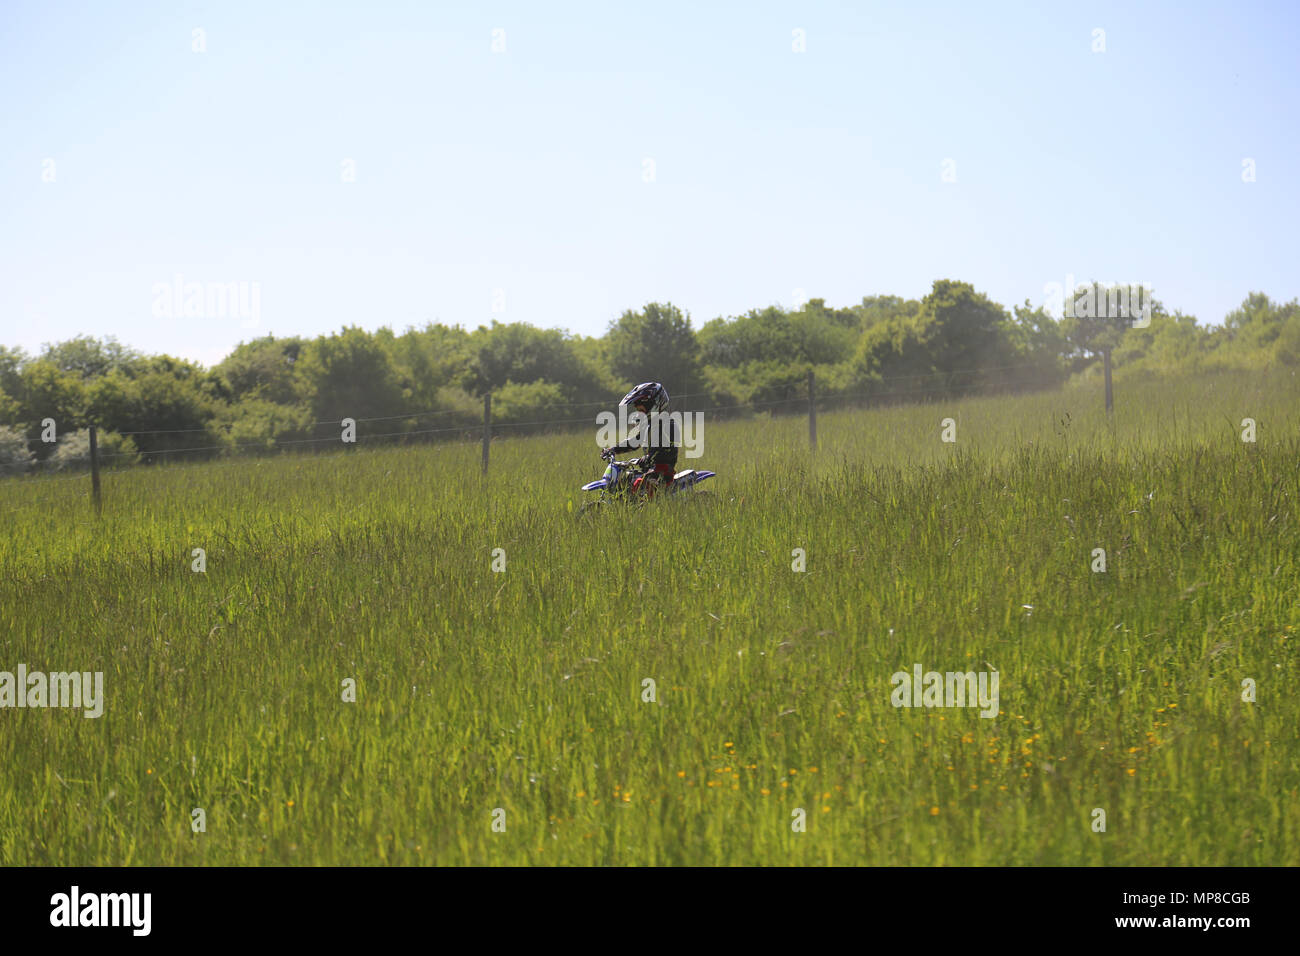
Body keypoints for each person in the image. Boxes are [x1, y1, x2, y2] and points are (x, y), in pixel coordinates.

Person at [601, 382, 678, 496]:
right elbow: (635, 441)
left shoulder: (668, 425)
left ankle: (651, 511)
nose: (638, 412)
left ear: (655, 403)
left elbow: (668, 450)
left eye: (641, 409)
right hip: (648, 470)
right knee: (624, 482)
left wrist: (649, 457)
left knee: (639, 485)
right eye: (637, 409)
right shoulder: (648, 425)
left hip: (663, 471)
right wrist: (613, 449)